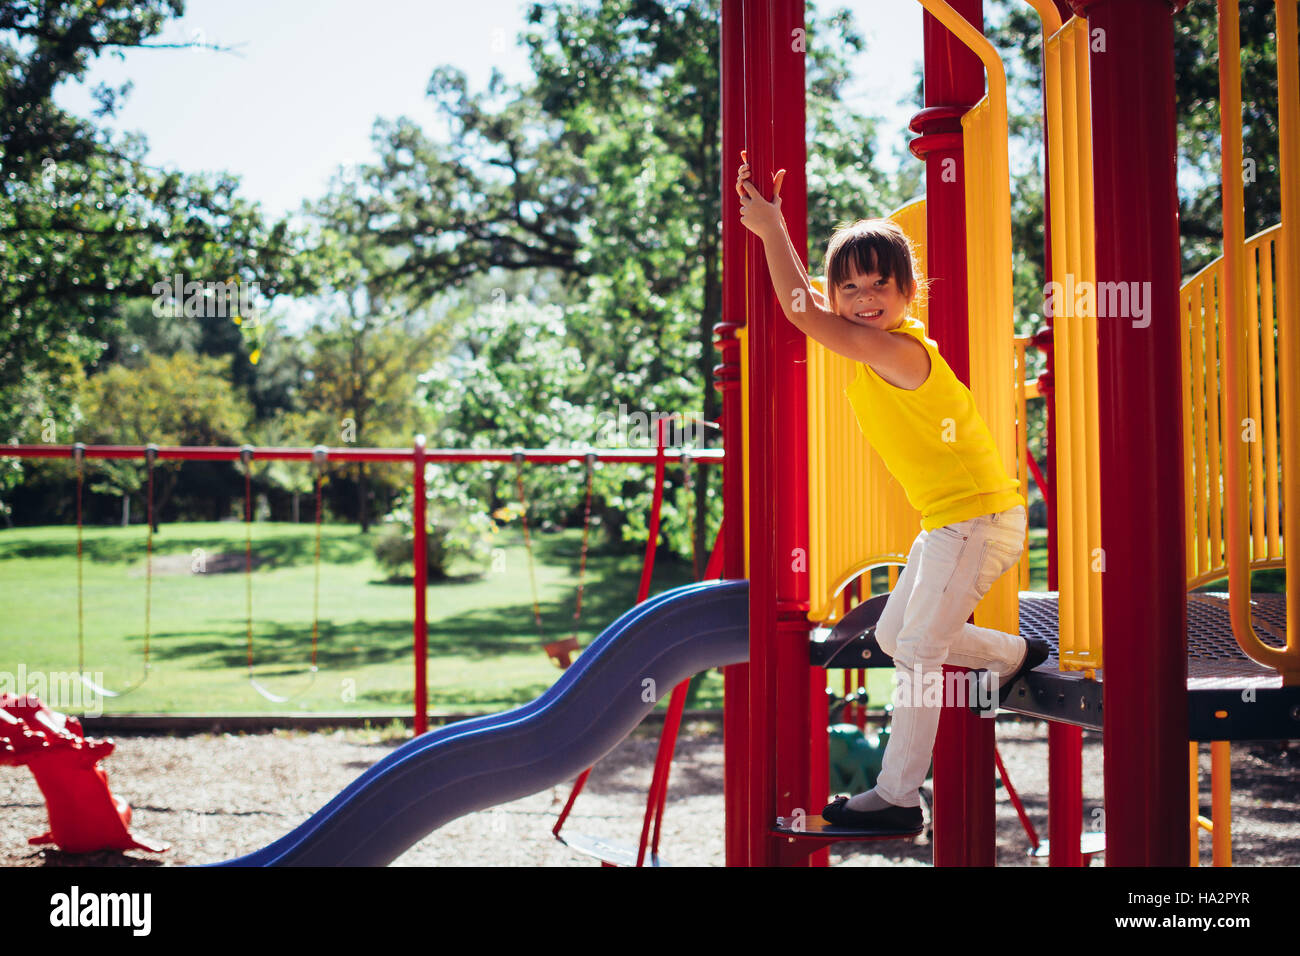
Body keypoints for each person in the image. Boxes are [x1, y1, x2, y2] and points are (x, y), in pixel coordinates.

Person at [735, 151, 1050, 831]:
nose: (866, 297)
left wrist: (769, 229)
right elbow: (811, 307)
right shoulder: (872, 347)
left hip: (977, 519)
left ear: (910, 293)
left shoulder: (901, 351)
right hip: (949, 521)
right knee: (889, 631)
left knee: (919, 647)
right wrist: (777, 236)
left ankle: (898, 798)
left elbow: (802, 313)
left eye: (881, 283)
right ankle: (1015, 655)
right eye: (850, 288)